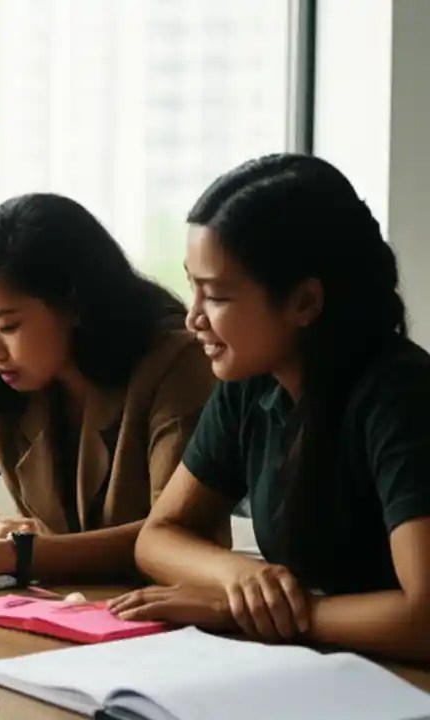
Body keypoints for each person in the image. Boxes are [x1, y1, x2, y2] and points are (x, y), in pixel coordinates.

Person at [109, 154, 430, 663]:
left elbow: (424, 617)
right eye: (192, 287)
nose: (193, 318)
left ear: (304, 302)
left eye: (216, 296)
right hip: (328, 665)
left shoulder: (401, 396)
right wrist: (240, 577)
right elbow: (158, 537)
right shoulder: (251, 382)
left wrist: (249, 611)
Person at [0, 194, 214, 584]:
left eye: (8, 326)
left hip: (161, 606)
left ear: (73, 303)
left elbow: (174, 538)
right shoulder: (9, 381)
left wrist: (11, 556)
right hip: (63, 603)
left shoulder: (177, 364)